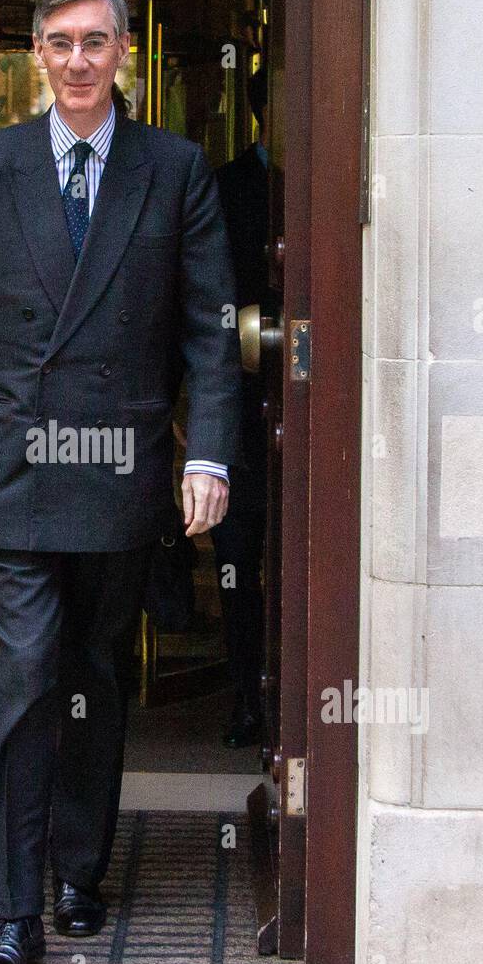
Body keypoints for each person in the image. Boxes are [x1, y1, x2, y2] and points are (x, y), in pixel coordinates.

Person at [0, 0, 243, 964]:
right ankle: (10, 914)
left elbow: (209, 332)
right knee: (26, 674)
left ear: (124, 49)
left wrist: (211, 451)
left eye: (95, 41)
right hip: (12, 464)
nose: (78, 61)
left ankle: (77, 868)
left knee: (94, 676)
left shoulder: (174, 168)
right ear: (37, 55)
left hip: (118, 466)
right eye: (60, 43)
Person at [212, 68, 270, 747]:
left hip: (310, 404)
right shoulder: (223, 186)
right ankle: (245, 694)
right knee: (236, 556)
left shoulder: (322, 178)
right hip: (235, 404)